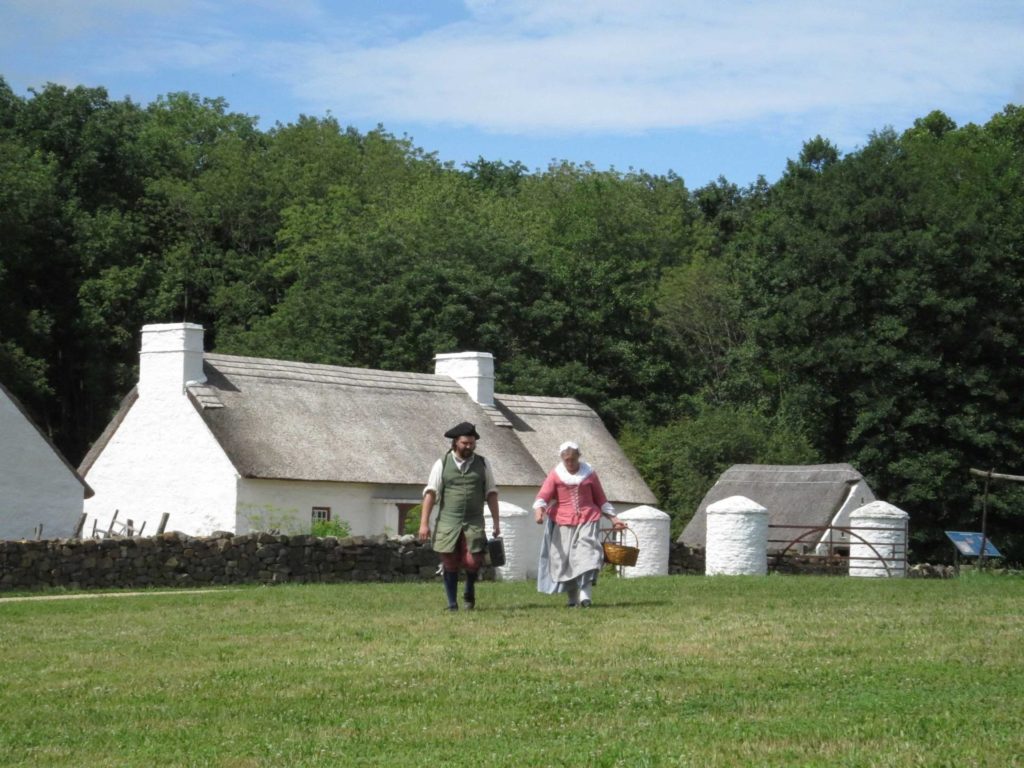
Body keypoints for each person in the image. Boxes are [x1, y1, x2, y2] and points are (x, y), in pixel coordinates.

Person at [419, 421, 501, 611]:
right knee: (449, 561)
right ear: (456, 442)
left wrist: (496, 522)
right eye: (465, 443)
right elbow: (431, 494)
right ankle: (452, 604)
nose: (469, 447)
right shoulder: (441, 463)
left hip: (474, 521)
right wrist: (424, 523)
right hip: (448, 521)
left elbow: (491, 493)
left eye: (472, 443)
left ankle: (469, 590)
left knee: (473, 561)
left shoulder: (483, 463)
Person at [534, 441, 624, 607]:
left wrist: (614, 518)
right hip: (563, 521)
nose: (570, 463)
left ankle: (585, 597)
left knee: (588, 554)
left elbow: (601, 498)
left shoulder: (589, 474)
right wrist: (540, 510)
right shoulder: (556, 474)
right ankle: (572, 599)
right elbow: (543, 496)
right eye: (567, 460)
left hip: (588, 518)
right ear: (562, 458)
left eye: (573, 459)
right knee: (566, 560)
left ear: (579, 457)